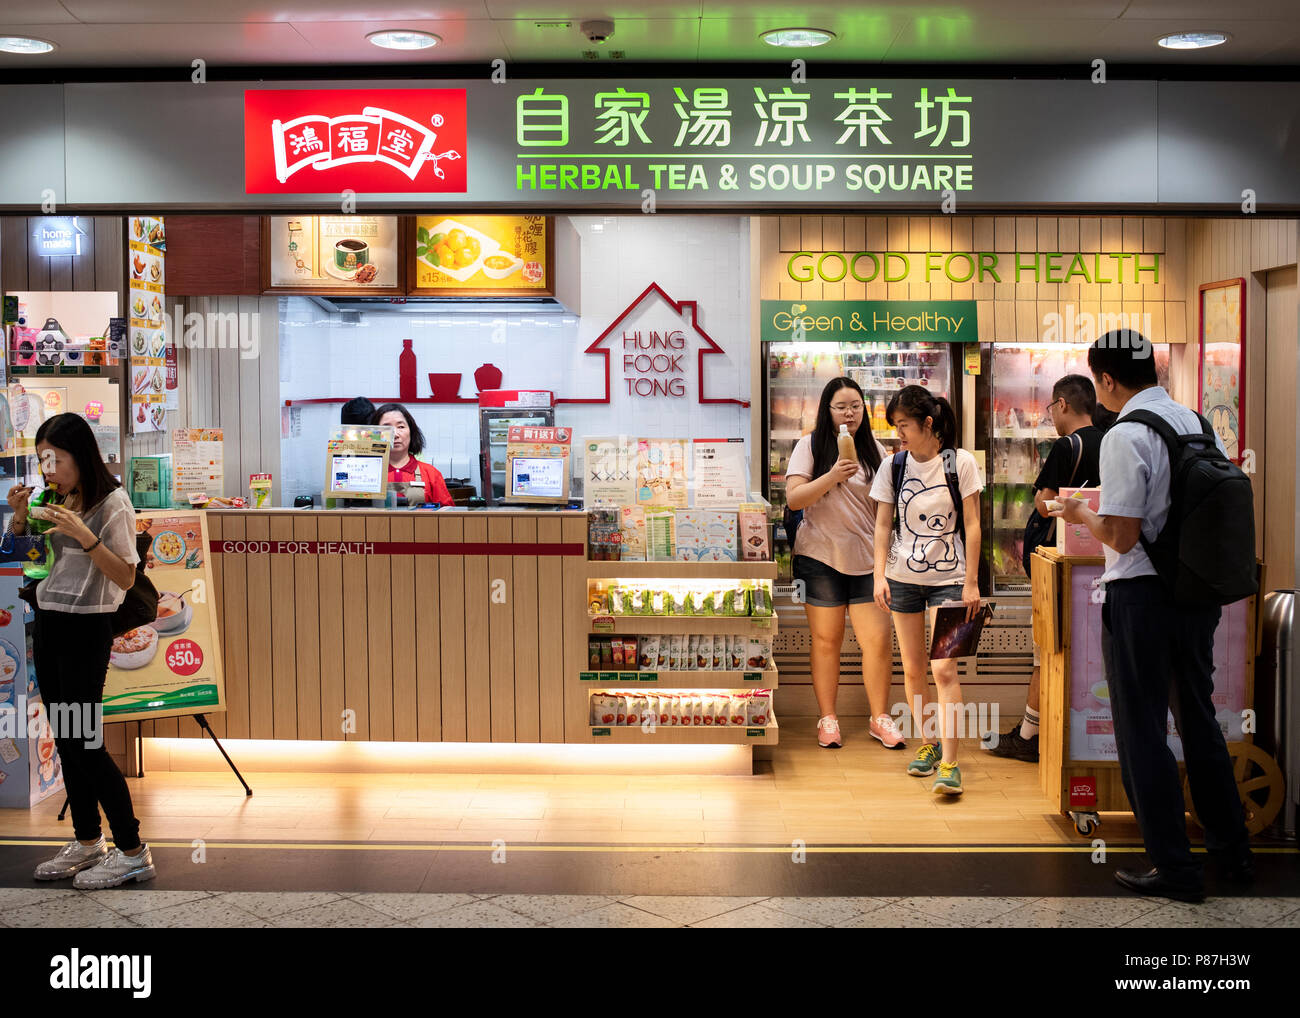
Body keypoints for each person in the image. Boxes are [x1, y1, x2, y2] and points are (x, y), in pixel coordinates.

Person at [1053, 330, 1252, 903]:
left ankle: (1174, 867)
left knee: (1141, 729)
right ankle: (1231, 848)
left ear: (1107, 381)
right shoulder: (1194, 422)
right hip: (1195, 592)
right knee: (1197, 718)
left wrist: (1078, 513)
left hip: (1141, 595)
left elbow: (1120, 531)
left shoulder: (1125, 435)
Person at [7, 413, 154, 888]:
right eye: (42, 458)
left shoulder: (113, 502)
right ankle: (89, 842)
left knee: (86, 743)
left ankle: (132, 850)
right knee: (69, 740)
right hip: (49, 625)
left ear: (80, 455)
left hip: (86, 632)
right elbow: (34, 569)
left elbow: (126, 577)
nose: (47, 469)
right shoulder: (54, 497)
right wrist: (22, 519)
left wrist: (84, 535)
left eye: (56, 458)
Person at [871, 386, 983, 795]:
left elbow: (972, 524)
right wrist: (879, 575)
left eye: (903, 425)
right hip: (902, 580)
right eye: (896, 426)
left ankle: (951, 762)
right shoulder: (893, 466)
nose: (898, 433)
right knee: (915, 670)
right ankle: (929, 744)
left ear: (928, 424)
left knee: (944, 669)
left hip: (951, 581)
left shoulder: (961, 463)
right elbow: (883, 525)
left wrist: (972, 581)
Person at [988, 374, 1102, 763]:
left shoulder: (1067, 446)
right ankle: (1077, 731)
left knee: (1047, 649)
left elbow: (1044, 504)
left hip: (1061, 563)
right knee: (1089, 651)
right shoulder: (1114, 440)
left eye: (1052, 408)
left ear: (1063, 405)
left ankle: (1031, 735)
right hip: (1104, 562)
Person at [784, 377, 900, 750]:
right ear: (827, 411)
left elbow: (888, 508)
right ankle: (828, 718)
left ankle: (879, 717)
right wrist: (832, 475)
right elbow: (794, 500)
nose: (849, 413)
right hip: (820, 556)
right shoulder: (809, 446)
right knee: (826, 641)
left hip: (869, 559)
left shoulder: (877, 451)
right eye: (840, 407)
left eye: (855, 406)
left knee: (878, 641)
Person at [372, 403, 453, 507]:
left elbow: (448, 515)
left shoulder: (431, 474)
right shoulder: (368, 471)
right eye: (387, 428)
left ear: (411, 431)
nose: (395, 434)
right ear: (374, 434)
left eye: (401, 426)